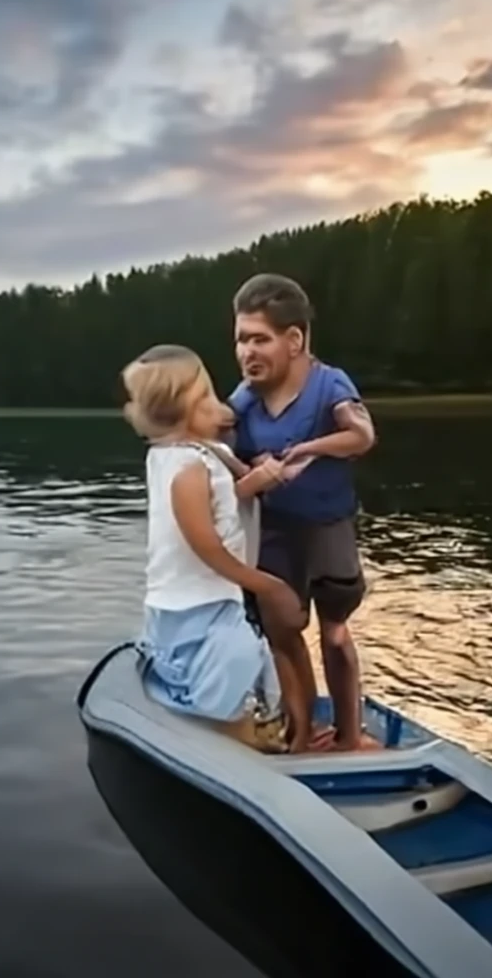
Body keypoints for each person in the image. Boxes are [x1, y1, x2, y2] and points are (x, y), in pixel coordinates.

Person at [120, 343, 308, 752]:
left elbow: (222, 497)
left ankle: (251, 730)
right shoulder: (187, 468)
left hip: (205, 599)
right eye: (205, 396)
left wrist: (258, 480)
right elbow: (206, 545)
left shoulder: (191, 452)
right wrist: (268, 586)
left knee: (241, 663)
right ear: (180, 412)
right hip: (195, 606)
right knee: (233, 665)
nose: (218, 404)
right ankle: (232, 744)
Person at [225, 274, 380, 753]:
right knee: (283, 635)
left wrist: (308, 450)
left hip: (328, 529)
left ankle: (350, 737)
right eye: (241, 340)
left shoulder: (329, 384)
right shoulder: (246, 397)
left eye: (259, 339)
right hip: (273, 533)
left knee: (333, 633)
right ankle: (300, 735)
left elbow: (362, 436)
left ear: (293, 340)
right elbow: (213, 441)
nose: (247, 352)